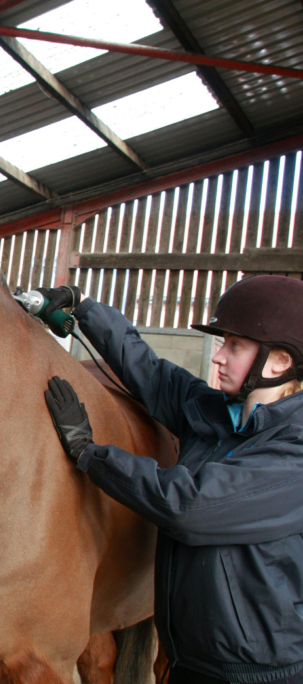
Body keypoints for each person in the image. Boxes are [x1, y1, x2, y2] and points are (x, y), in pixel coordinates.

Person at [39, 276, 303, 684]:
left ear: (280, 361)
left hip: (256, 673)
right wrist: (86, 307)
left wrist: (90, 453)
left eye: (235, 346)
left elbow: (191, 506)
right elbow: (152, 374)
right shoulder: (219, 416)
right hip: (189, 661)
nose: (218, 357)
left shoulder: (294, 451)